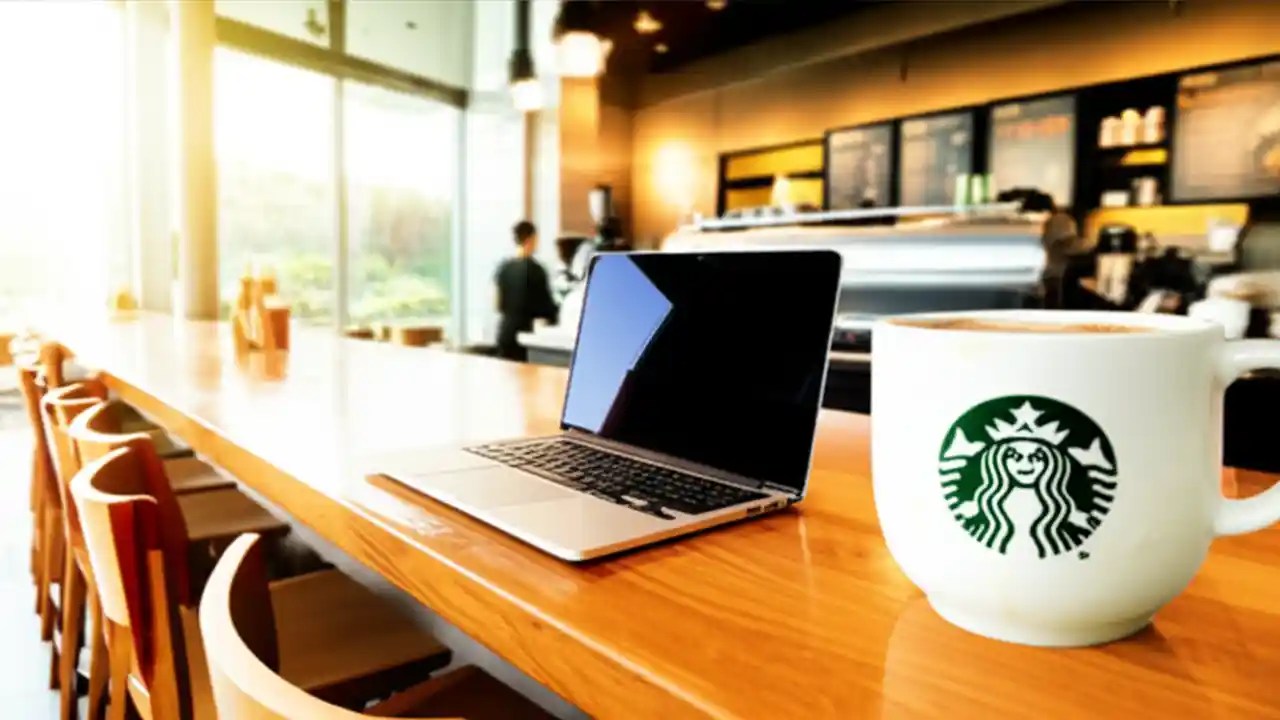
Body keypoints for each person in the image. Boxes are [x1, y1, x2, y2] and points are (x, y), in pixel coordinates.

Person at [494, 220, 558, 361]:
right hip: (525, 338)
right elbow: (547, 308)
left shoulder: (503, 268)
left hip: (505, 334)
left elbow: (497, 305)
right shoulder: (536, 270)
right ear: (531, 239)